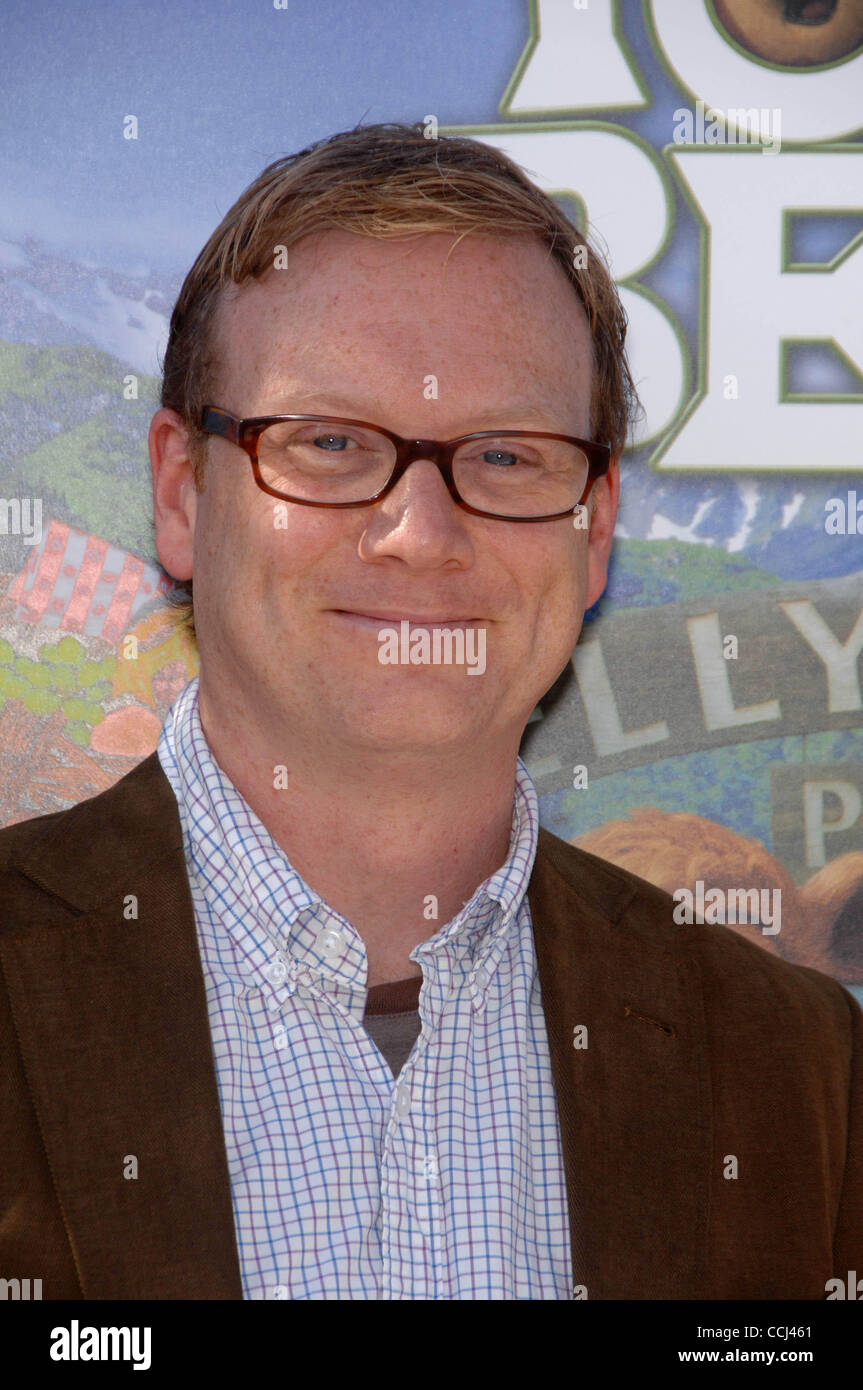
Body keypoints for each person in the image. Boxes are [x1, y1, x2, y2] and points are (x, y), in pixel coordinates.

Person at [1, 123, 860, 1301]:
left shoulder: (806, 1075)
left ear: (596, 526)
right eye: (332, 442)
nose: (419, 534)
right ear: (180, 493)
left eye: (507, 455)